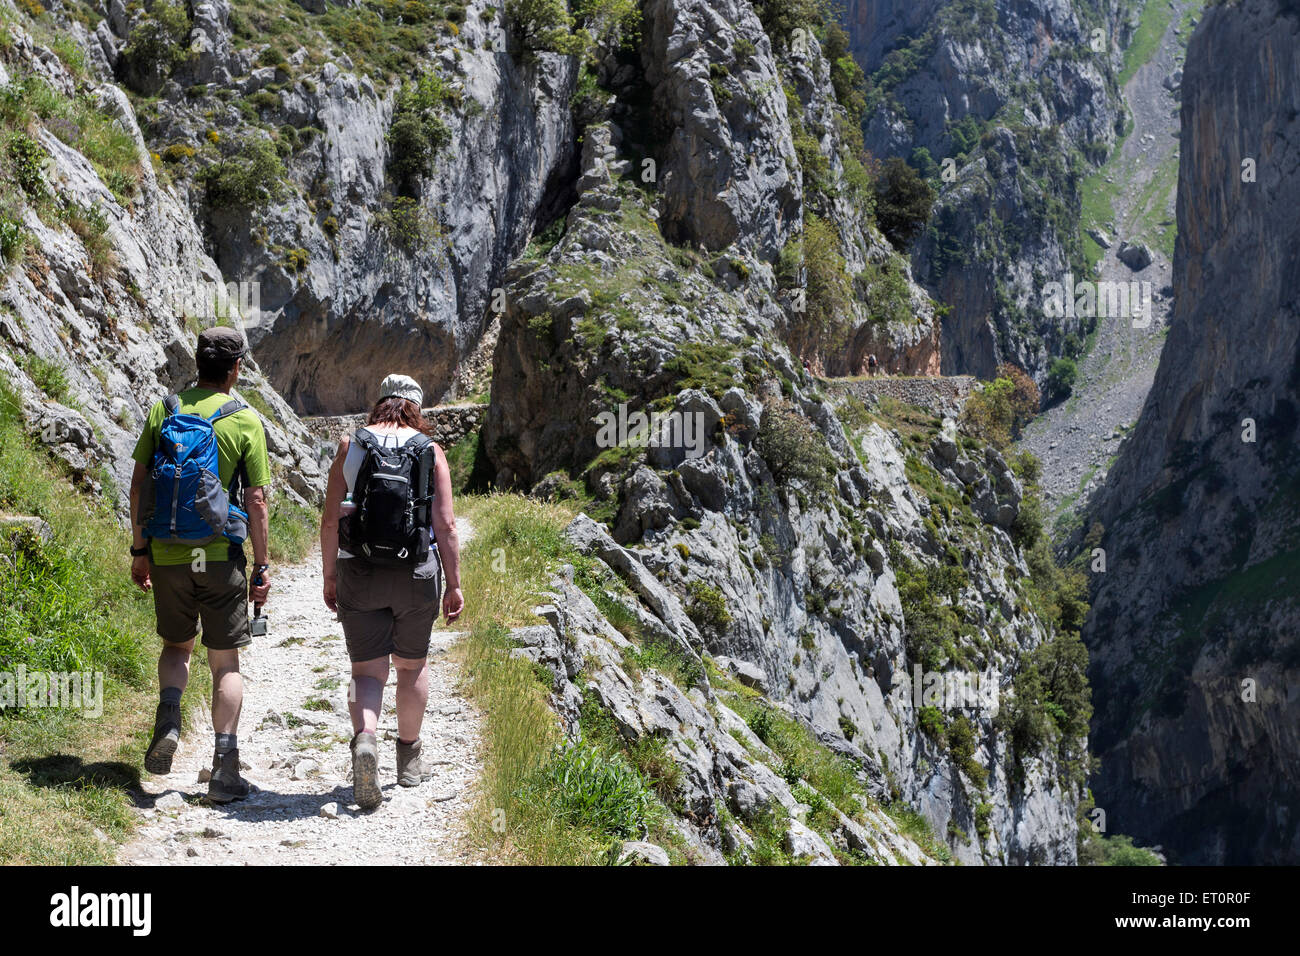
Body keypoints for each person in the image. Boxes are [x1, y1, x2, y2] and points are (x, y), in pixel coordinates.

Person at [129, 327, 272, 804]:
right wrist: (263, 565)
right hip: (217, 554)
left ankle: (169, 719)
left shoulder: (165, 409)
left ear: (196, 362)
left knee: (177, 645)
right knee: (225, 662)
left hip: (168, 552)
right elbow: (255, 500)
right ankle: (224, 769)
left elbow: (138, 487)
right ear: (236, 369)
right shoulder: (244, 419)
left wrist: (139, 550)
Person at [320, 374, 463, 810]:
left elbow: (329, 521)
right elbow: (446, 526)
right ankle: (408, 759)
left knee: (366, 672)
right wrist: (454, 585)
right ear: (415, 408)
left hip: (359, 570)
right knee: (412, 666)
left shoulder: (352, 445)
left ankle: (365, 740)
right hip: (416, 573)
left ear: (380, 402)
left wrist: (330, 576)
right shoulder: (430, 450)